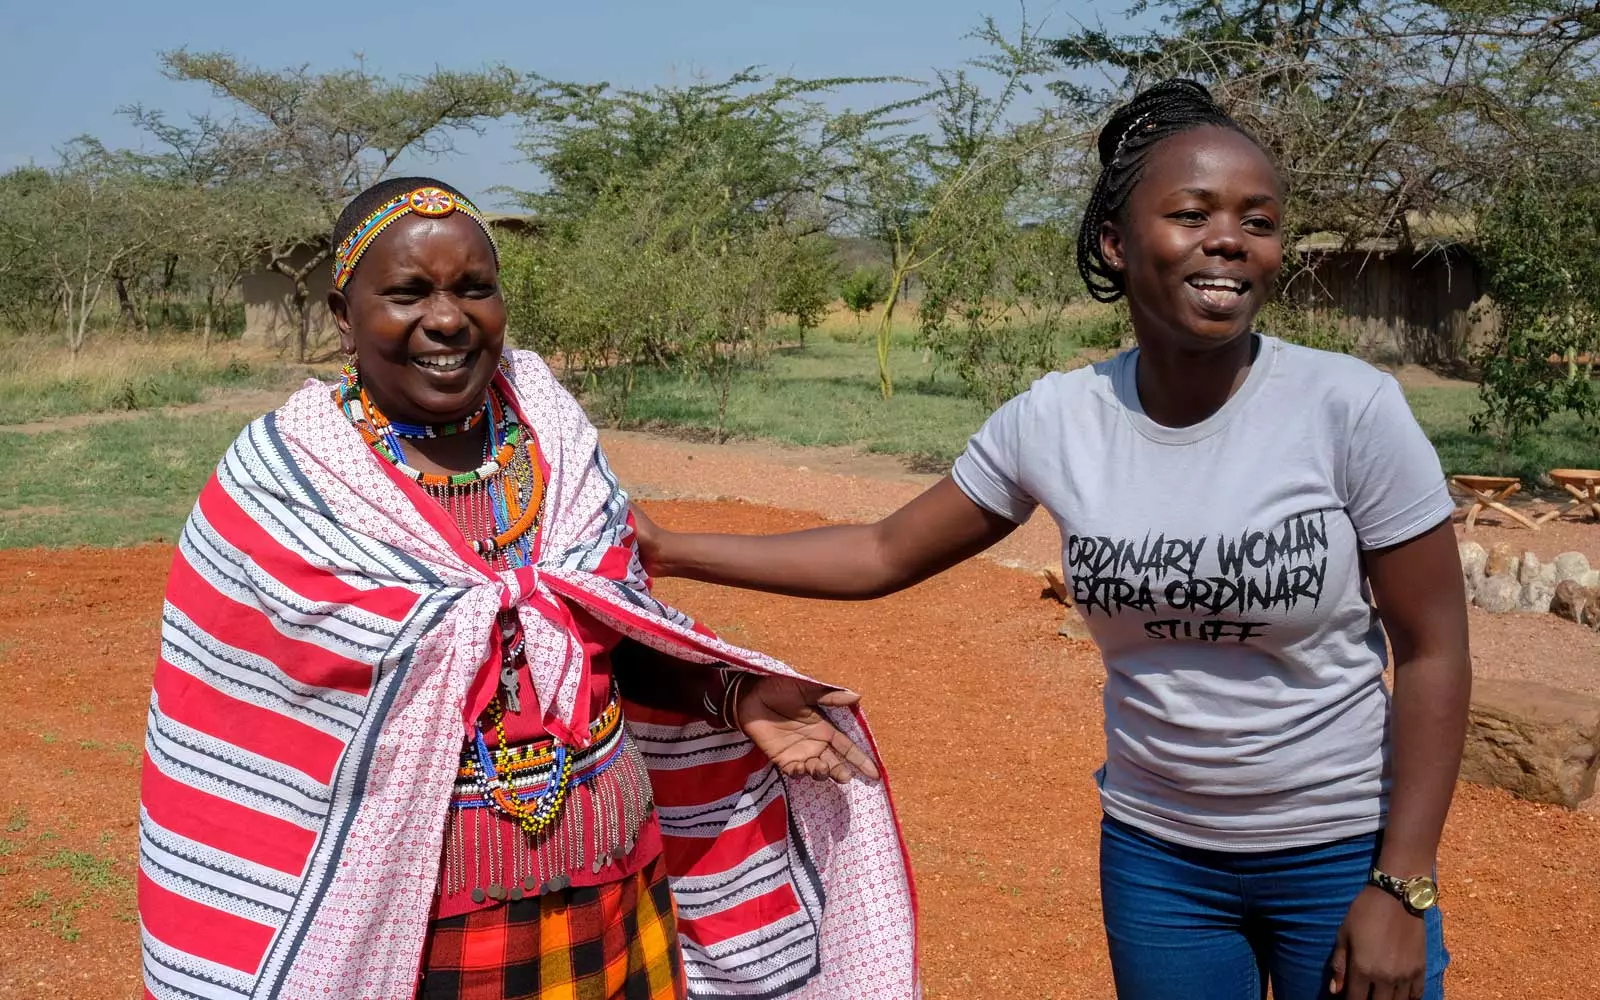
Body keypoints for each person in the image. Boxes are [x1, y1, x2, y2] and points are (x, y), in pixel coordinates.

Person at [630, 80, 1471, 1000]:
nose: (1229, 238)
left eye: (1257, 220)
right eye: (1192, 213)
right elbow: (883, 551)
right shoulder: (1058, 420)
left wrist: (1403, 879)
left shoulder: (1347, 409)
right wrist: (669, 548)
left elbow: (1432, 650)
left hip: (1340, 849)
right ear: (1116, 242)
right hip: (1159, 860)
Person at [135, 177, 919, 1000]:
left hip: (615, 876)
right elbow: (247, 735)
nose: (447, 318)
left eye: (475, 288)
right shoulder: (284, 482)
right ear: (342, 313)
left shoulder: (549, 436)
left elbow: (598, 636)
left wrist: (728, 692)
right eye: (408, 293)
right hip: (421, 922)